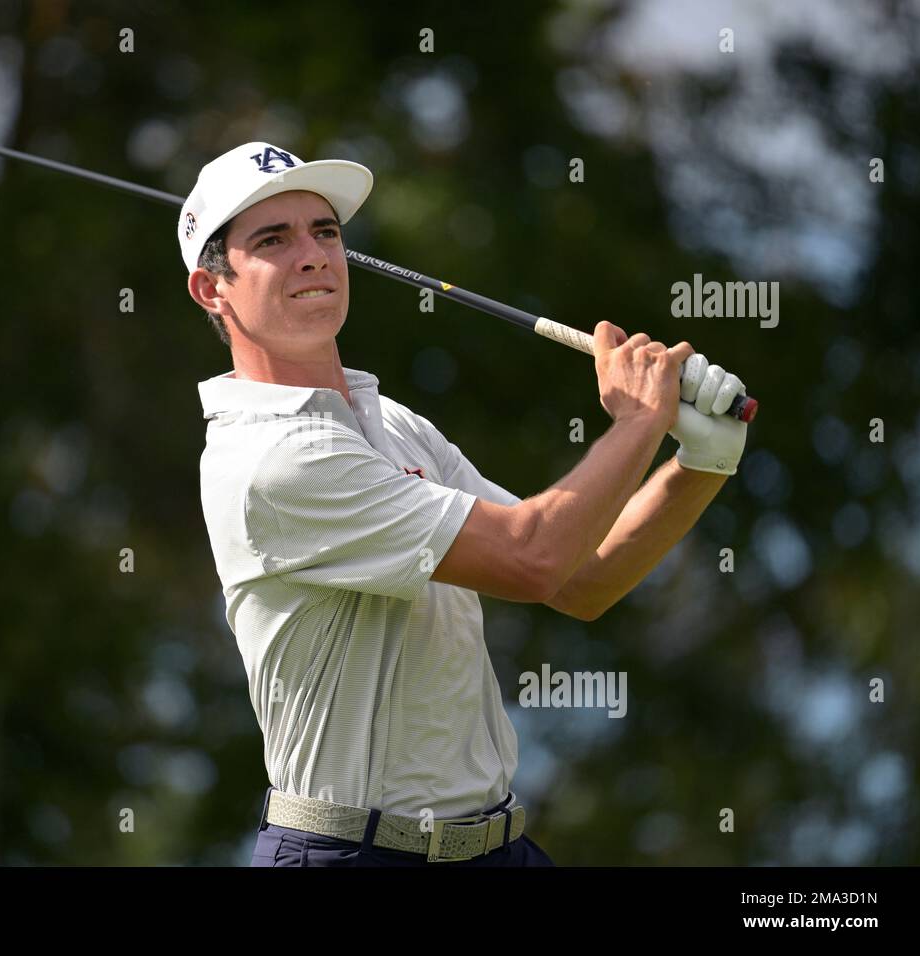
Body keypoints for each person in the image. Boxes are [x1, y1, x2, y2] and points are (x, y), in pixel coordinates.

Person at [178, 142, 749, 866]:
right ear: (211, 288)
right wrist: (638, 422)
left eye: (325, 232)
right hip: (351, 854)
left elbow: (584, 577)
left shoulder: (395, 424)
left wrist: (703, 461)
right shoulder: (274, 460)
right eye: (272, 240)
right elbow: (532, 558)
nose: (314, 255)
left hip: (498, 847)